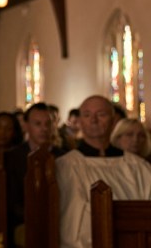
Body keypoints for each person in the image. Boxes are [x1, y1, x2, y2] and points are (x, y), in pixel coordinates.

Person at [56, 95, 151, 248]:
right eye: (87, 115)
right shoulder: (65, 165)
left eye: (101, 114)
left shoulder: (137, 166)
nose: (93, 120)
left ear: (114, 121)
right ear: (80, 121)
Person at [5, 103, 66, 246]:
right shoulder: (12, 158)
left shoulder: (64, 157)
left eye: (48, 124)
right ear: (26, 126)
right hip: (24, 221)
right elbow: (11, 200)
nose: (44, 129)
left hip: (60, 219)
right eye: (38, 124)